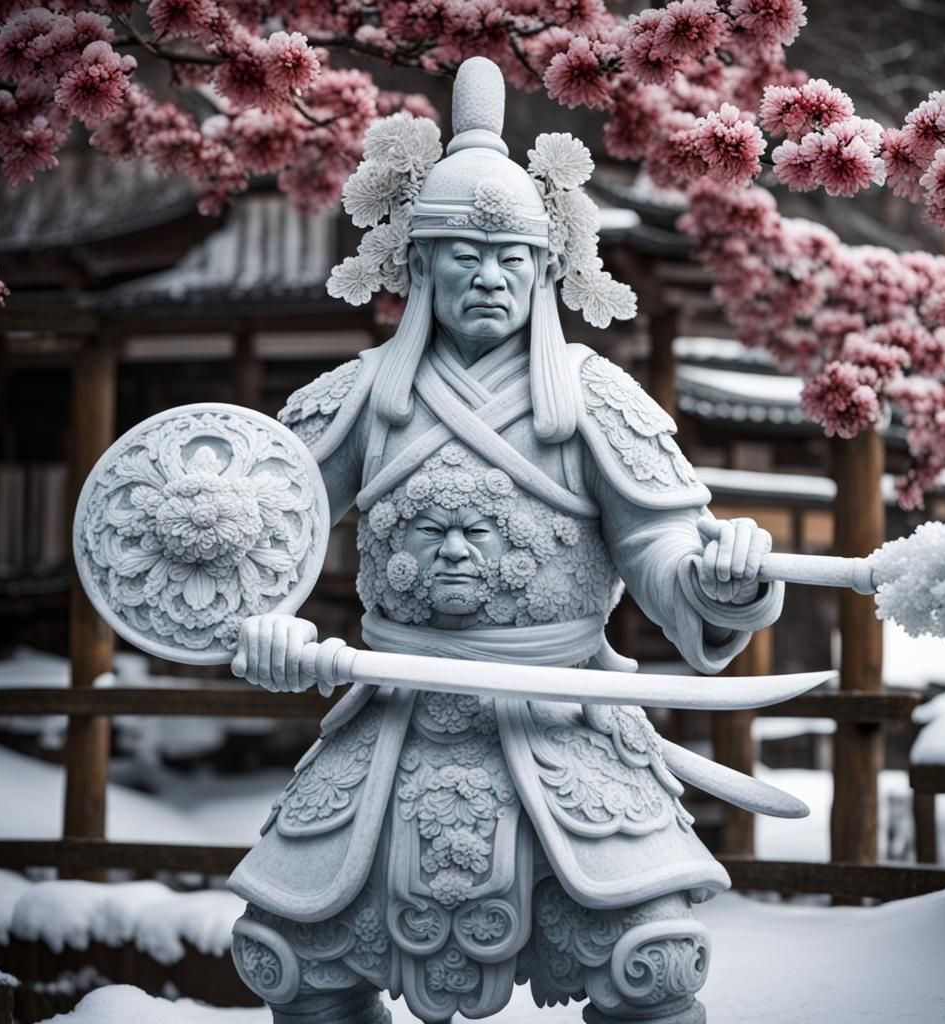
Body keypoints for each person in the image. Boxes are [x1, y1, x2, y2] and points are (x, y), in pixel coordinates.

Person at [227, 57, 785, 1024]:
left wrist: (716, 581)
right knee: (295, 963)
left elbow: (658, 548)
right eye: (463, 254)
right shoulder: (360, 397)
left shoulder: (599, 398)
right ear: (418, 261)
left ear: (545, 266)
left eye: (512, 259)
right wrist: (267, 629)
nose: (489, 277)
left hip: (561, 729)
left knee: (652, 968)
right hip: (393, 725)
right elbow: (258, 539)